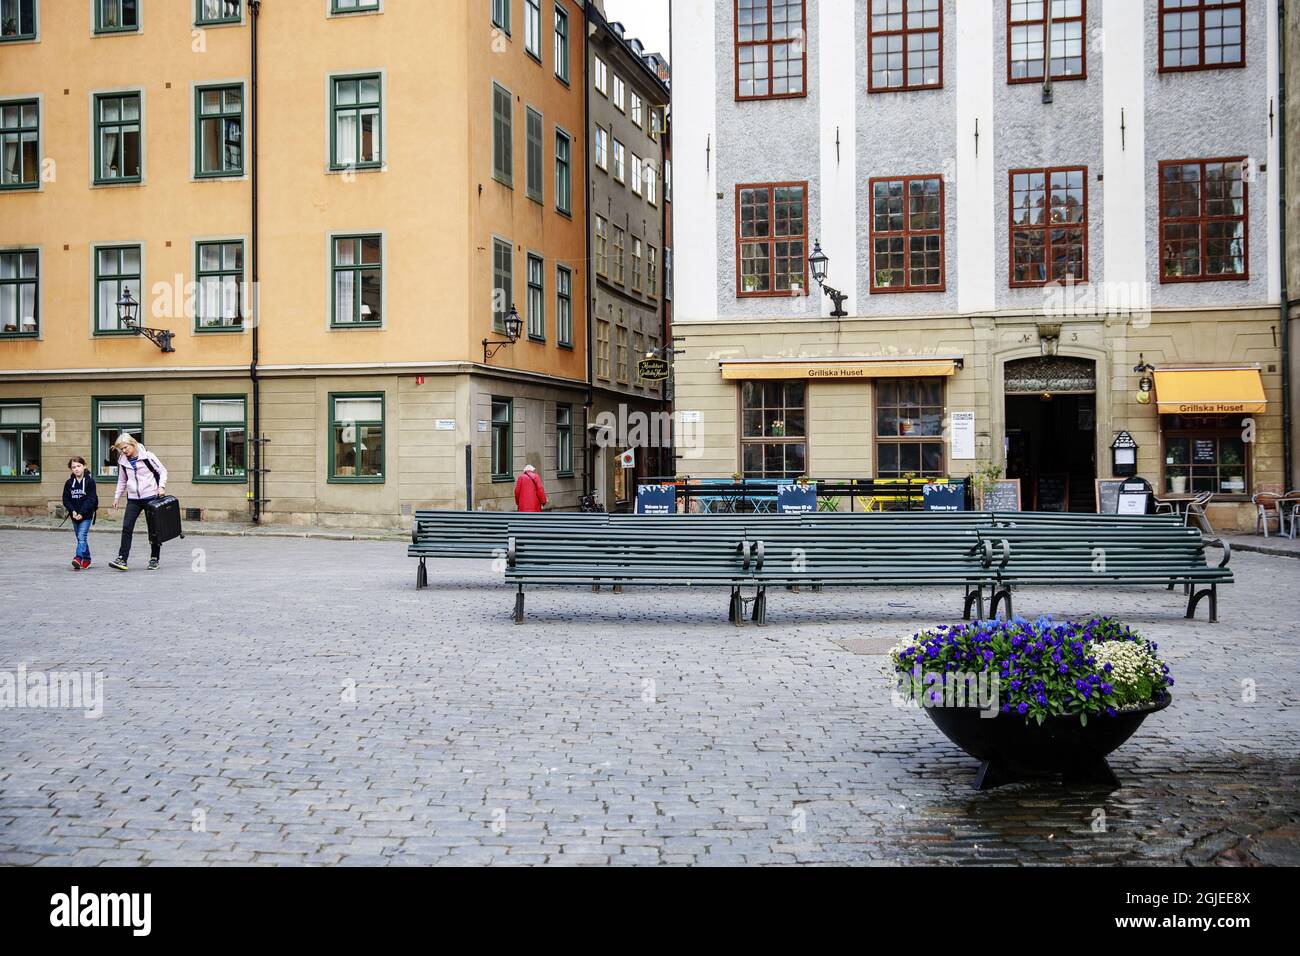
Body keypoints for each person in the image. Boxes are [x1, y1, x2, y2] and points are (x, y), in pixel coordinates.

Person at [109, 436, 168, 572]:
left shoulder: (147, 456)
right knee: (126, 527)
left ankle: (154, 559)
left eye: (126, 447)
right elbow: (122, 480)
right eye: (121, 449)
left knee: (154, 530)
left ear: (133, 444)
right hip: (133, 499)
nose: (124, 451)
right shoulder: (122, 460)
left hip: (151, 497)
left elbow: (162, 471)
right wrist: (116, 497)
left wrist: (161, 487)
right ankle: (122, 559)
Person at [62, 457, 98, 571]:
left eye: (78, 466)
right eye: (73, 467)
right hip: (74, 515)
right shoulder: (69, 483)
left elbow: (91, 499)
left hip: (86, 515)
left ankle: (78, 558)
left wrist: (82, 513)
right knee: (80, 538)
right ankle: (87, 558)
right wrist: (72, 511)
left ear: (84, 466)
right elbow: (66, 499)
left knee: (82, 536)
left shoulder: (90, 482)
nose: (76, 469)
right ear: (71, 469)